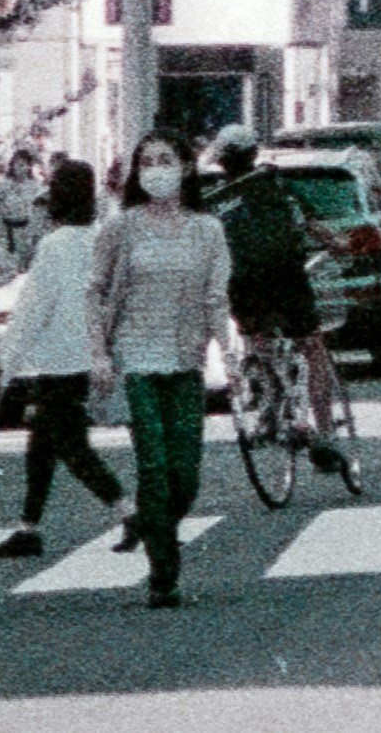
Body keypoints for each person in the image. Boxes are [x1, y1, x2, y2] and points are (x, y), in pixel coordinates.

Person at [90, 134, 233, 605]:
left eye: (165, 160)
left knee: (185, 474)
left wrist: (226, 350)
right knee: (154, 465)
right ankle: (163, 573)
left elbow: (216, 295)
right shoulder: (121, 228)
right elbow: (96, 291)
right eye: (146, 162)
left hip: (185, 359)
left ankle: (153, 526)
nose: (156, 169)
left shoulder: (206, 229)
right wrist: (99, 353)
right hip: (135, 360)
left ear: (185, 169)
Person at [0, 157, 121, 559]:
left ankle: (131, 514)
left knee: (71, 447)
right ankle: (28, 527)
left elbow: (32, 311)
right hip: (89, 356)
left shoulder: (54, 246)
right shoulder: (100, 239)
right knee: (43, 446)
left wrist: (3, 367)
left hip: (56, 360)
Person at [205, 132, 350, 474]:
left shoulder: (215, 198)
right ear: (254, 153)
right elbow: (312, 225)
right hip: (287, 276)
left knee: (259, 340)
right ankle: (325, 430)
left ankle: (271, 406)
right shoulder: (275, 183)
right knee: (312, 347)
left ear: (222, 160)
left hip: (242, 285)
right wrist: (338, 243)